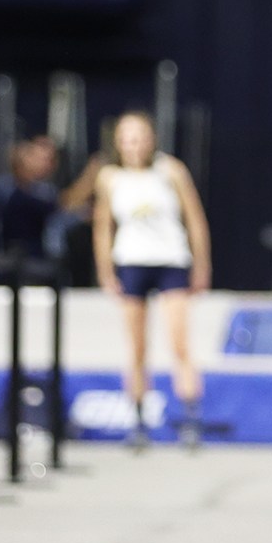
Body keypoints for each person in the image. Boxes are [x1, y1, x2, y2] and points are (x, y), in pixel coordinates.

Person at [92, 111, 212, 448]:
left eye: (139, 137)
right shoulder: (109, 177)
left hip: (170, 261)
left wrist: (201, 265)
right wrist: (105, 271)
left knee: (179, 342)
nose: (134, 145)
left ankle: (190, 417)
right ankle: (139, 421)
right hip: (132, 262)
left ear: (151, 139)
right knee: (137, 347)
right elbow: (103, 228)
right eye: (127, 138)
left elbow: (195, 219)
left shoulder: (171, 171)